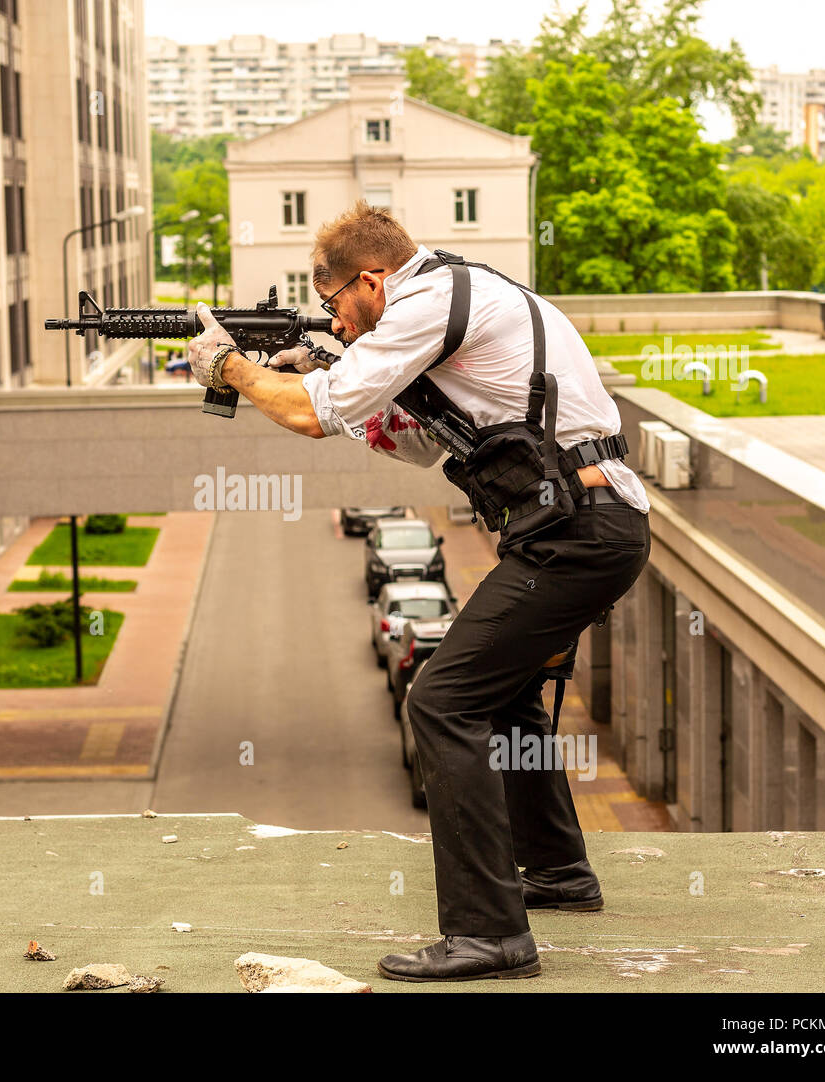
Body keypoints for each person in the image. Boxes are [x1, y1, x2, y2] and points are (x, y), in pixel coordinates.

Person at [186, 200, 651, 982]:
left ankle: (488, 935)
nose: (335, 325)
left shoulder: (426, 299)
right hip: (574, 528)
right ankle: (558, 874)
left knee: (440, 701)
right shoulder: (458, 298)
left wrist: (232, 369)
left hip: (578, 533)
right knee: (499, 696)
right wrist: (335, 372)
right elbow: (416, 444)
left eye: (336, 307)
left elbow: (308, 421)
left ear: (372, 279)